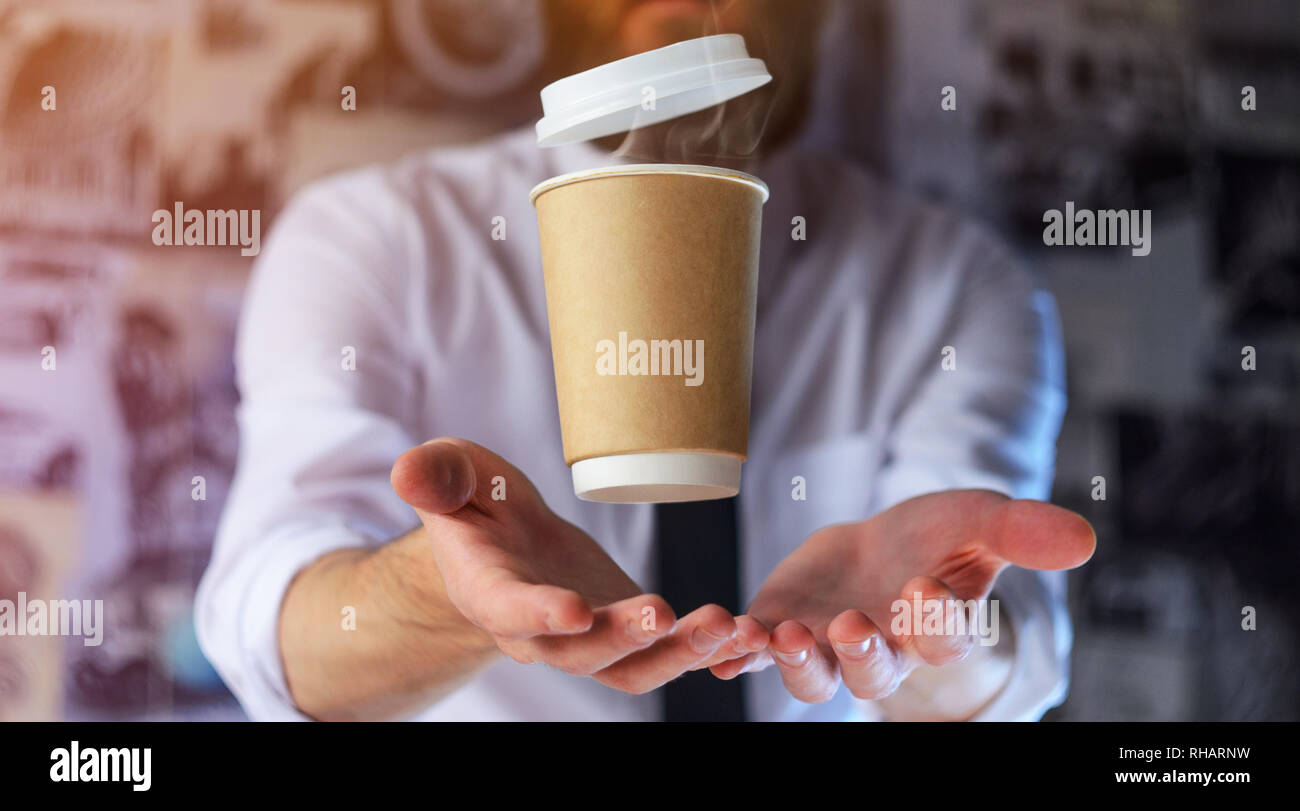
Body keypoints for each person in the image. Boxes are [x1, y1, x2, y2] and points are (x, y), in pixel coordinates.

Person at [195, 0, 1095, 722]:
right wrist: (452, 593)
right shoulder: (374, 239)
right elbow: (275, 633)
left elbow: (997, 674)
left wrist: (933, 628)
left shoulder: (954, 286)